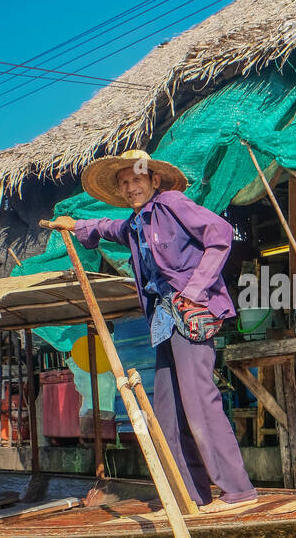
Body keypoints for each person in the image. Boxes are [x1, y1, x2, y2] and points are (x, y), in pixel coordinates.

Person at [68, 149, 257, 513]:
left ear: (153, 180)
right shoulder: (136, 223)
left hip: (190, 316)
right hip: (163, 322)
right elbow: (107, 227)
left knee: (200, 403)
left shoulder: (171, 203)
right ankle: (191, 494)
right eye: (124, 183)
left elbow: (220, 233)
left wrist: (194, 291)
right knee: (168, 412)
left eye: (136, 179)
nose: (129, 187)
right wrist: (74, 227)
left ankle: (238, 491)